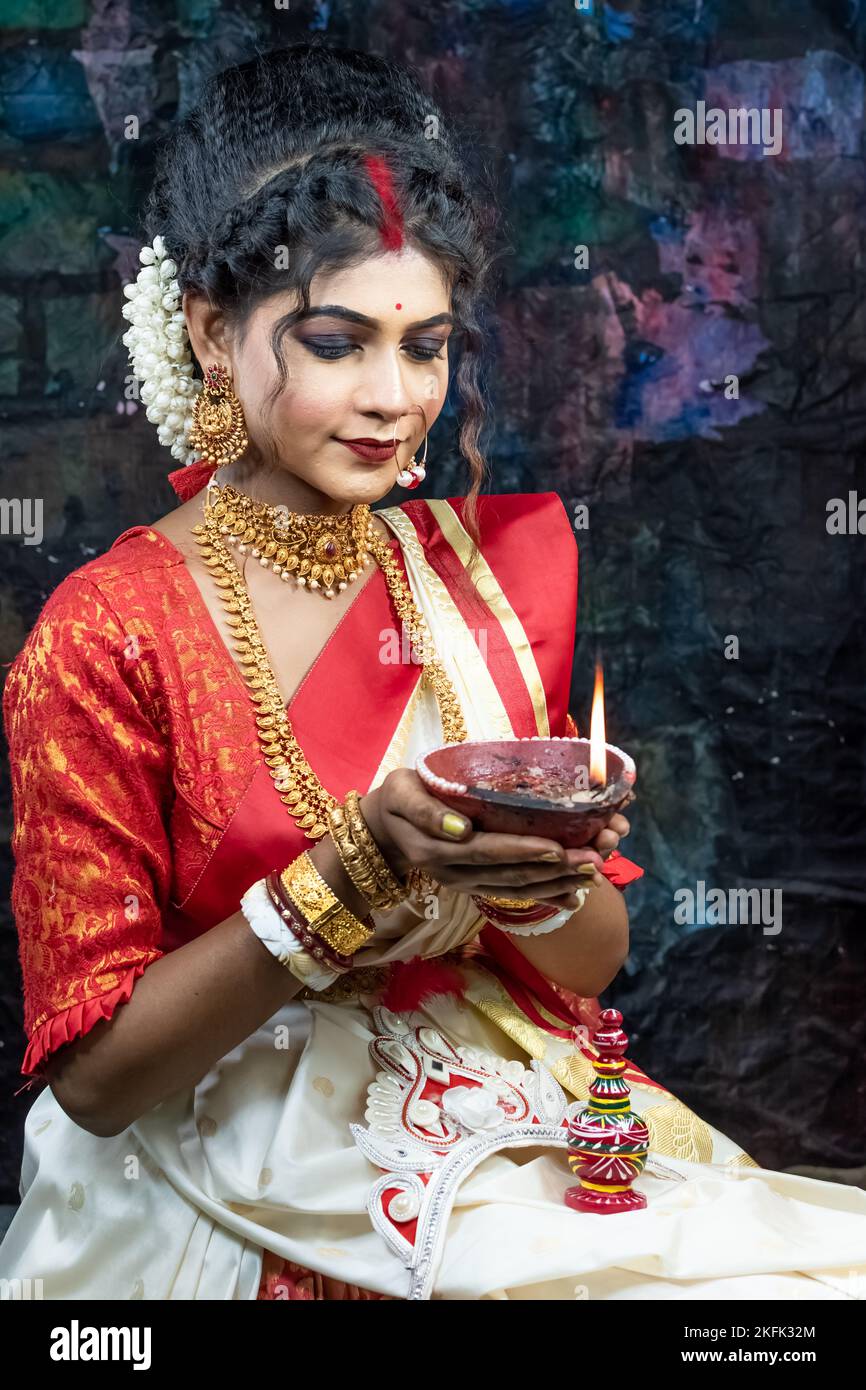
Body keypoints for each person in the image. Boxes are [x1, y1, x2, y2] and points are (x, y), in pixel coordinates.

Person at [2, 42, 865, 1302]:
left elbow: (593, 956)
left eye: (425, 347)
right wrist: (358, 872)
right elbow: (93, 1076)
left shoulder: (473, 578)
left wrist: (537, 873)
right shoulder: (106, 634)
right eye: (338, 342)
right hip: (232, 1164)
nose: (392, 398)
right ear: (207, 331)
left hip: (502, 1114)